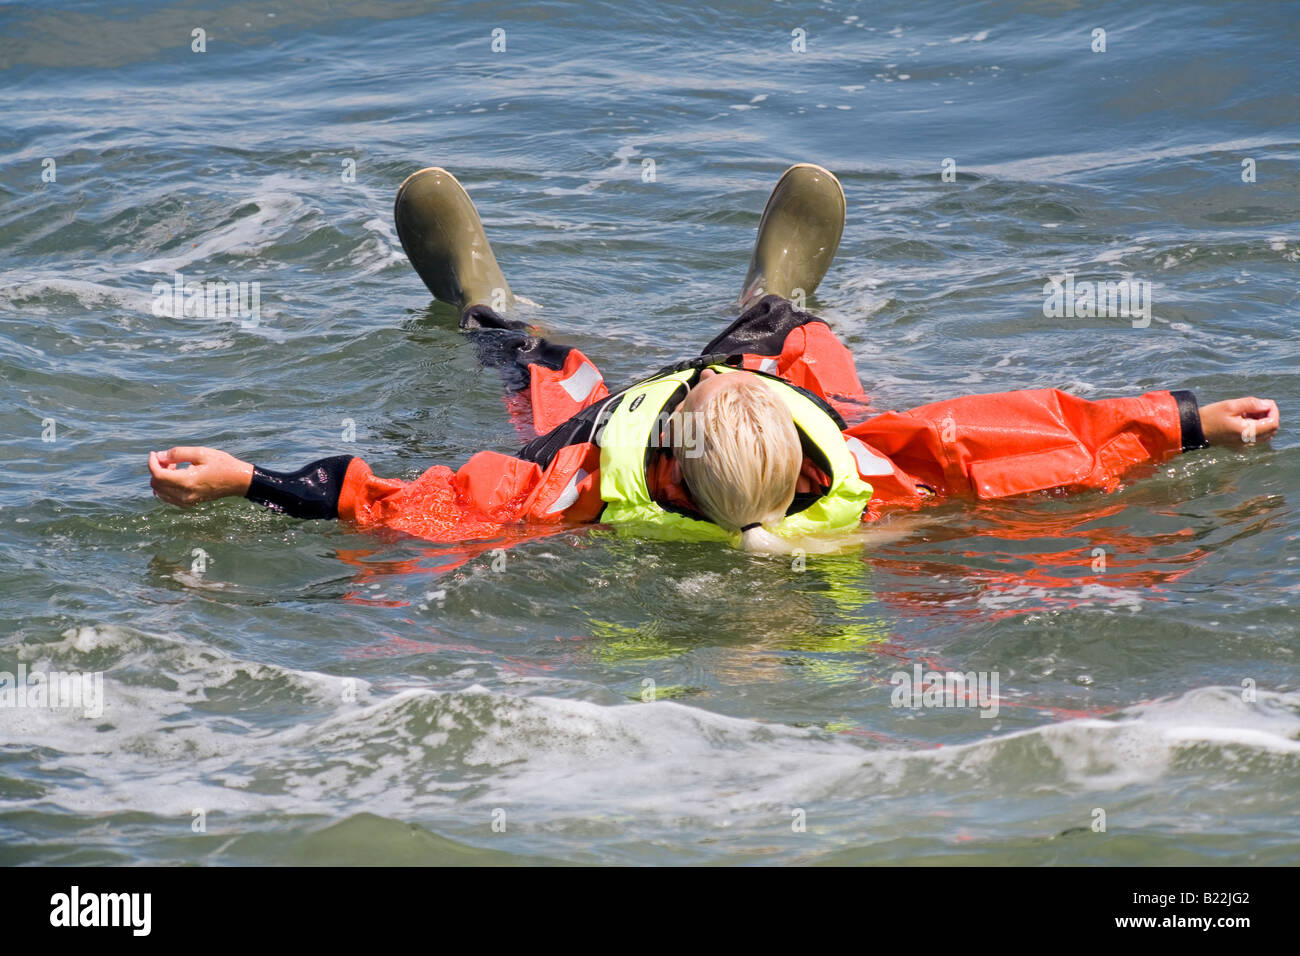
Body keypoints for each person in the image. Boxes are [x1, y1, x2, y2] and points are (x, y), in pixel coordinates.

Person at [148, 164, 1281, 552]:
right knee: (799, 343)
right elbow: (1033, 439)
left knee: (531, 358)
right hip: (799, 408)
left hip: (607, 418)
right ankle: (777, 295)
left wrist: (252, 479)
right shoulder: (876, 473)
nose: (714, 373)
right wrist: (1181, 423)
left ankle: (482, 304)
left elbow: (414, 508)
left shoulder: (576, 488)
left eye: (715, 379)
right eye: (721, 384)